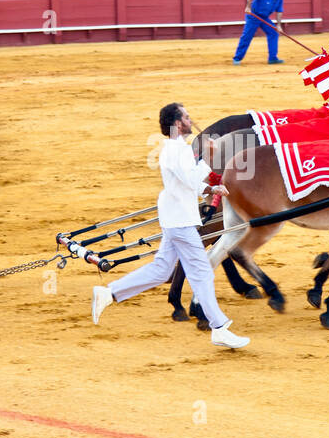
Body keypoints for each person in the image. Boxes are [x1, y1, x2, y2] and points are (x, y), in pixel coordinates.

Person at [90, 102, 249, 349]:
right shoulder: (178, 150)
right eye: (186, 116)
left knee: (162, 270)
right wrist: (209, 157)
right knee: (202, 272)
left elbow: (190, 182)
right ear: (177, 124)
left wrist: (212, 188)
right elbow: (189, 179)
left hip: (176, 216)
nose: (190, 118)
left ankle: (108, 293)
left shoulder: (176, 149)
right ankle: (219, 327)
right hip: (181, 221)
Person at [233, 0, 290, 65]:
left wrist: (278, 25)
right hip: (253, 15)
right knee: (247, 36)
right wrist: (248, 6)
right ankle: (237, 58)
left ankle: (273, 58)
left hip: (264, 18)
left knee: (273, 33)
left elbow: (279, 11)